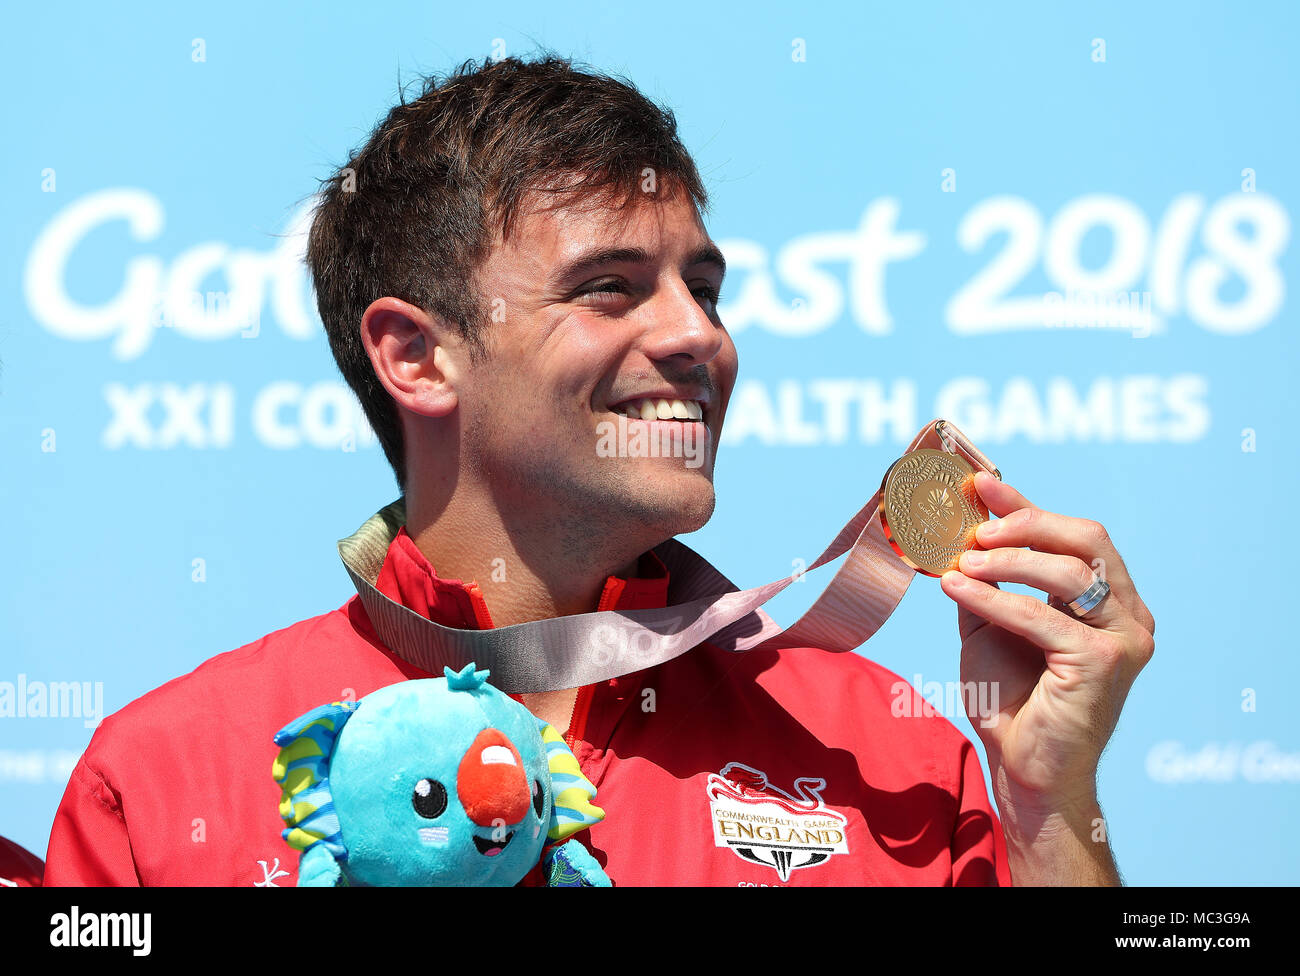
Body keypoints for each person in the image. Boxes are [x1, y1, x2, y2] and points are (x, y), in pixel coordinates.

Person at [44, 53, 1154, 886]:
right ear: (417, 355)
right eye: (610, 288)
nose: (699, 337)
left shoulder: (892, 758)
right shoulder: (165, 778)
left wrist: (1051, 807)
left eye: (705, 288)